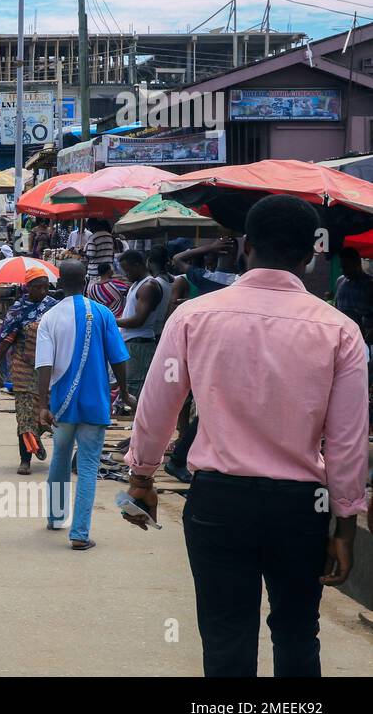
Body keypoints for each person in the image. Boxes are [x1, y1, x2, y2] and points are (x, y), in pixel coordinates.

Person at [125, 195, 368, 677]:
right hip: (301, 507)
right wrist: (344, 525)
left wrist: (141, 477)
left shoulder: (195, 316)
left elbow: (158, 404)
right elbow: (346, 441)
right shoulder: (338, 330)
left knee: (225, 637)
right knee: (298, 632)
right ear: (310, 254)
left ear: (246, 246)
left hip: (219, 502)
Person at [35, 259, 131, 550]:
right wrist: (125, 393)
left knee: (60, 458)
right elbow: (119, 358)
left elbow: (44, 365)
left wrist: (43, 404)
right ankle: (79, 534)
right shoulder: (102, 313)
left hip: (62, 404)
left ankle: (55, 517)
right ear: (86, 282)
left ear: (60, 283)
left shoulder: (49, 318)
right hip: (95, 403)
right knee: (88, 466)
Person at [0, 274, 57, 474]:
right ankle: (25, 460)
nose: (43, 292)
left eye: (45, 287)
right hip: (23, 368)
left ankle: (37, 437)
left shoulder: (54, 307)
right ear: (28, 288)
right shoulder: (17, 310)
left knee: (49, 411)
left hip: (50, 369)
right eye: (38, 288)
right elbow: (5, 341)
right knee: (25, 415)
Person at [114, 248, 170, 402]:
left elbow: (139, 320)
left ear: (138, 265)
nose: (126, 275)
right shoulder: (137, 284)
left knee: (134, 388)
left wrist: (110, 320)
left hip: (139, 345)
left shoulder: (148, 286)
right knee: (128, 386)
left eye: (128, 271)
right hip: (131, 343)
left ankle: (136, 423)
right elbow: (130, 314)